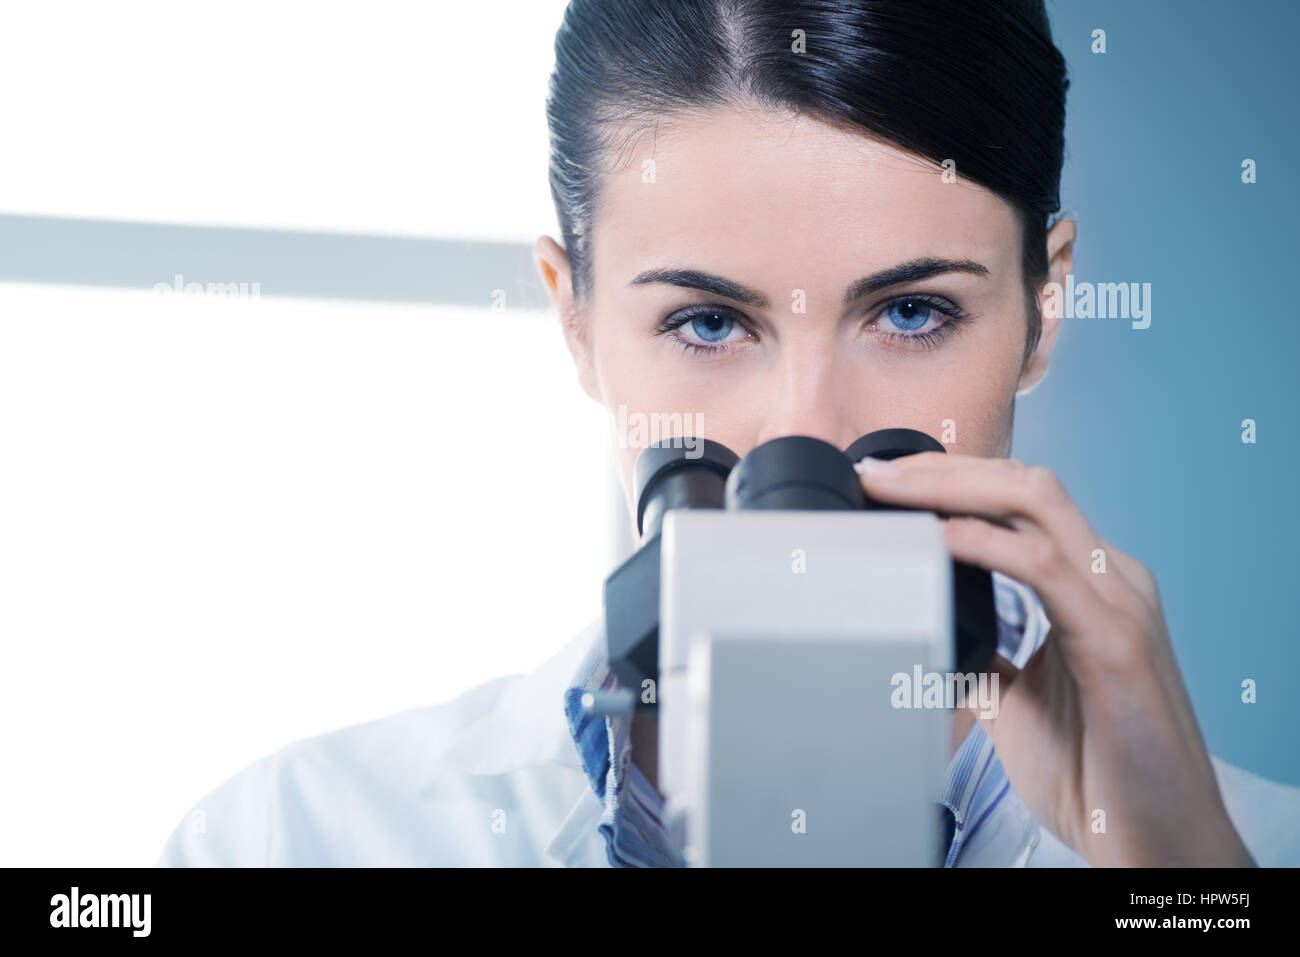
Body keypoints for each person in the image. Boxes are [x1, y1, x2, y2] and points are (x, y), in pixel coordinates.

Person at [157, 0, 1300, 868]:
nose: (802, 436)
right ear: (575, 321)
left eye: (910, 312)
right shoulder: (291, 839)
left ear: (1043, 308)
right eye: (707, 321)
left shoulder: (1234, 855)